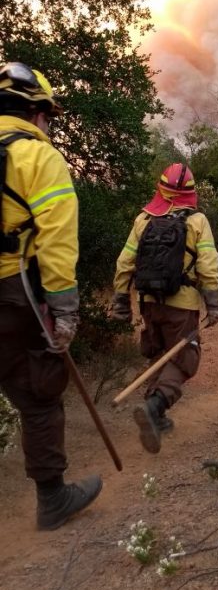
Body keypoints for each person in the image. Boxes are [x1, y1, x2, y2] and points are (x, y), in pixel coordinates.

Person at [0, 61, 102, 531]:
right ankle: (53, 498)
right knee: (38, 392)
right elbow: (57, 243)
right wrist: (64, 312)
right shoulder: (38, 158)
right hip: (14, 293)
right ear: (37, 112)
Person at [110, 162, 218, 454]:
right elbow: (208, 265)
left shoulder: (143, 219)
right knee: (185, 358)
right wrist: (213, 303)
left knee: (159, 354)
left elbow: (124, 263)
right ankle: (155, 406)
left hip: (148, 302)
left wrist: (121, 300)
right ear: (191, 193)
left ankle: (155, 416)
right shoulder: (197, 221)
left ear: (161, 188)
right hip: (181, 304)